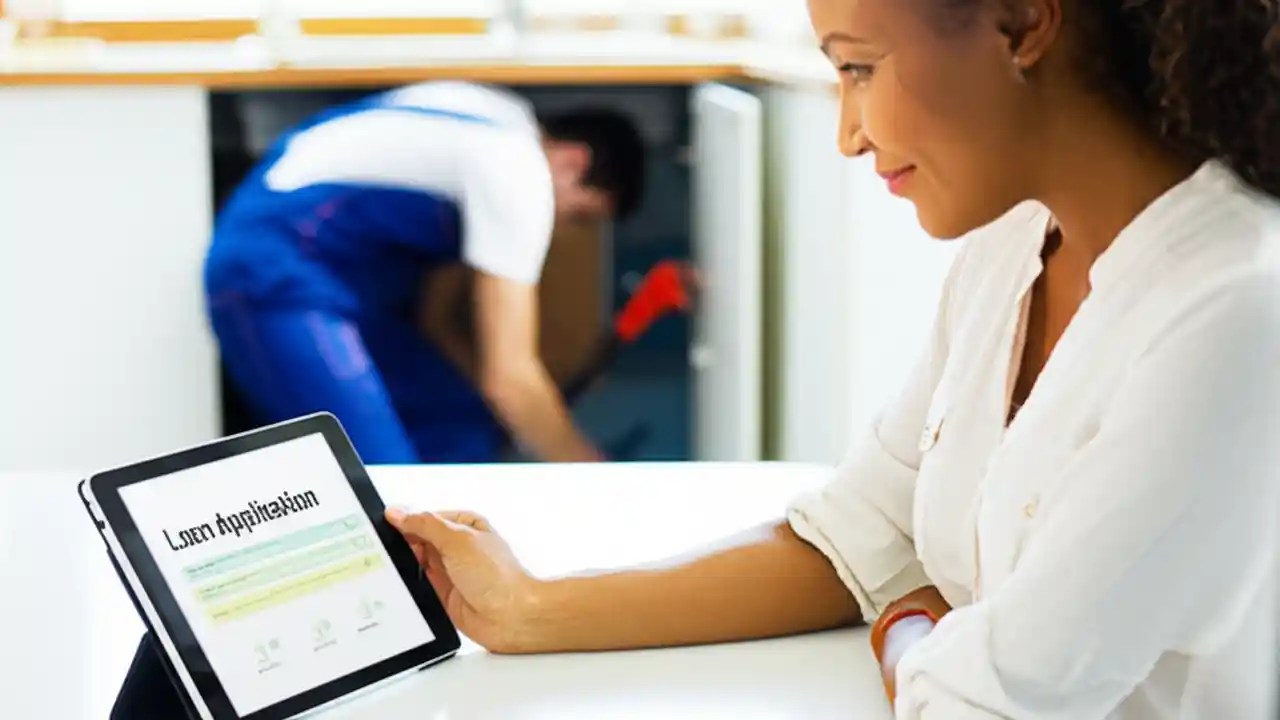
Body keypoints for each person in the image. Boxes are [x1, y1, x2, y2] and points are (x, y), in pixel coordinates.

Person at [385, 1, 1280, 718]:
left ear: (1021, 22)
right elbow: (862, 536)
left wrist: (912, 625)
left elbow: (982, 705)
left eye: (858, 66)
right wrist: (531, 607)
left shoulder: (1233, 303)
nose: (847, 135)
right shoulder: (1014, 243)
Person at [205, 81, 646, 464]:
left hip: (339, 286)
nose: (563, 232)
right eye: (579, 217)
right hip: (273, 277)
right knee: (386, 480)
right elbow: (510, 379)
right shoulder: (518, 172)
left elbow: (441, 323)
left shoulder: (493, 112)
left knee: (461, 424)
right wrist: (591, 473)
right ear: (574, 162)